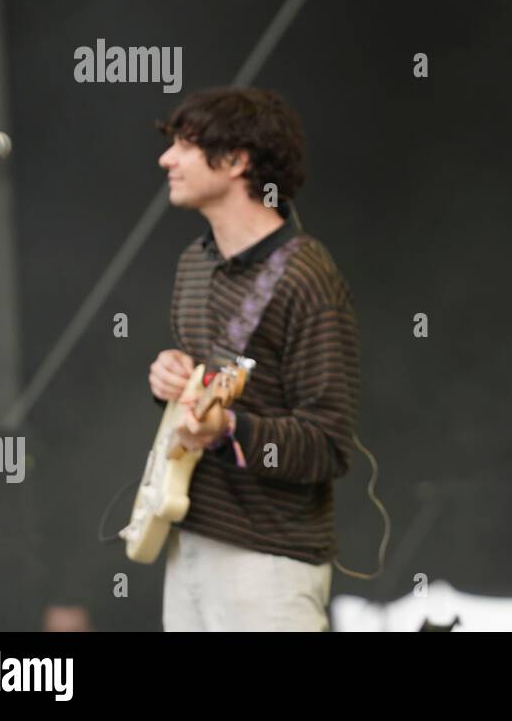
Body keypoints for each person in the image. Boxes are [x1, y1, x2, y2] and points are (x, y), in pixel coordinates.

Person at [147, 86, 360, 631]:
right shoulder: (194, 263)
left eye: (186, 145)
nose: (166, 158)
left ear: (238, 160)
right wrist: (169, 378)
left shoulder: (305, 277)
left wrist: (229, 431)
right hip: (189, 539)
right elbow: (209, 382)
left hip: (268, 563)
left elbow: (328, 445)